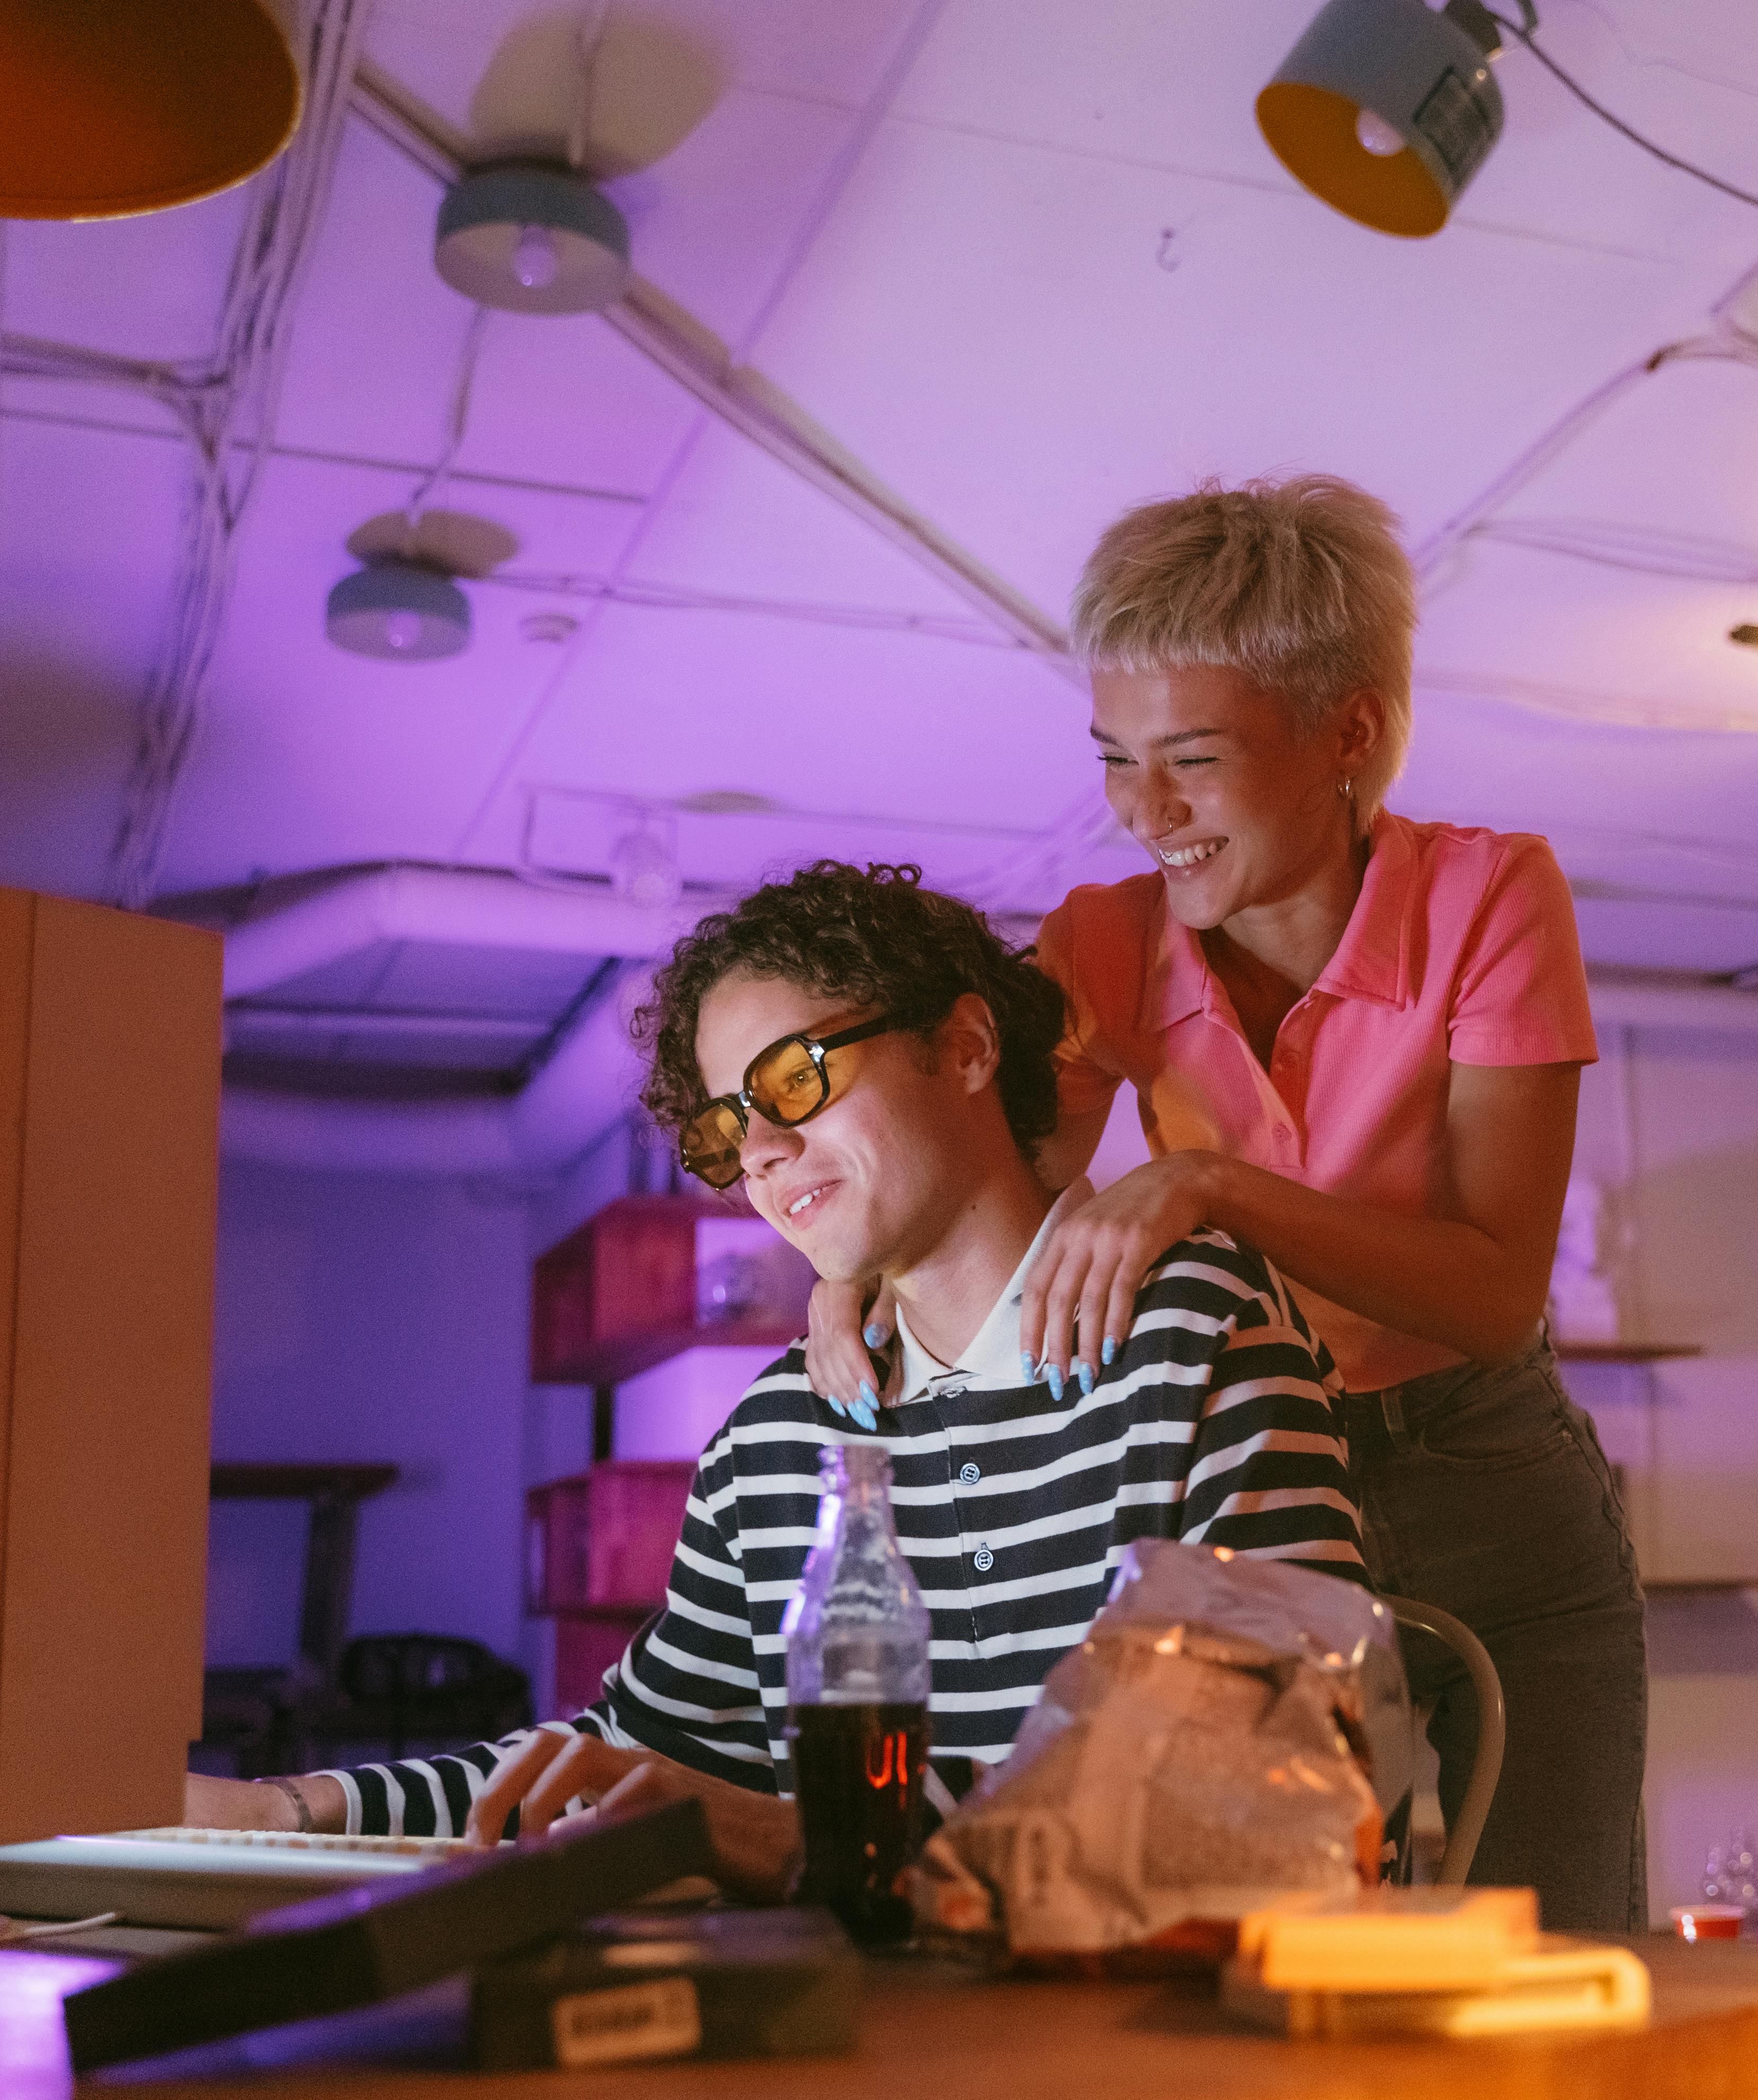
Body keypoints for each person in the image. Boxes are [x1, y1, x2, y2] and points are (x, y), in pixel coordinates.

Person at [805, 475, 1645, 1931]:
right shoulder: (1102, 939)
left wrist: (1201, 1182)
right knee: (1267, 1934)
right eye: (1117, 759)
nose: (1143, 811)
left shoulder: (1491, 895)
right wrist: (848, 1271)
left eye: (1189, 758)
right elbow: (987, 1201)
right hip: (1250, 1466)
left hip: (1492, 1470)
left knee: (1558, 1942)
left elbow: (1493, 1290)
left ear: (1348, 734)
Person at [181, 863, 1363, 1892]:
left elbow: (1268, 1788)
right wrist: (286, 1813)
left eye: (794, 1080)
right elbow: (616, 1757)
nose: (756, 1151)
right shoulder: (776, 1442)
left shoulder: (1189, 1331)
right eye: (723, 1127)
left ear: (964, 1045)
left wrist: (792, 1836)